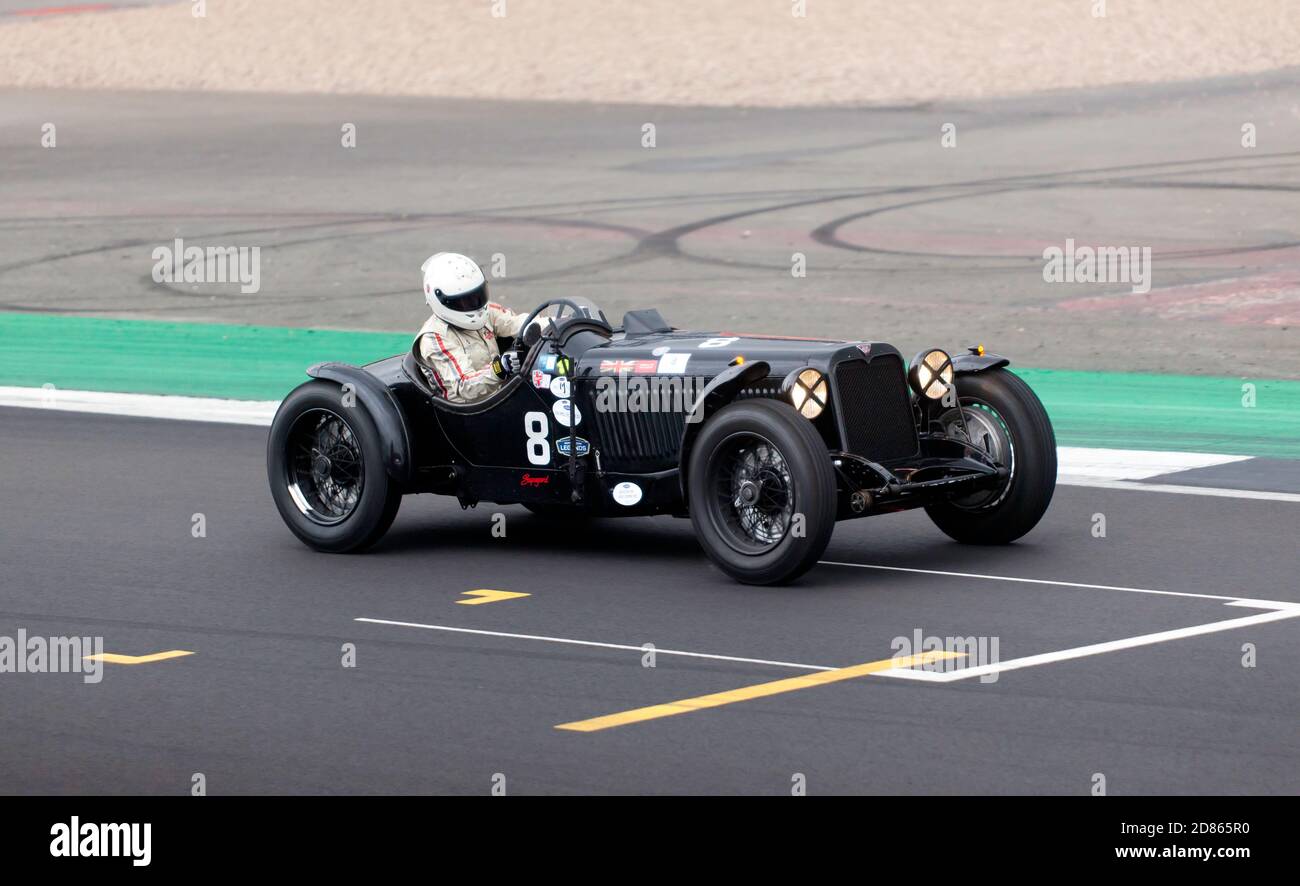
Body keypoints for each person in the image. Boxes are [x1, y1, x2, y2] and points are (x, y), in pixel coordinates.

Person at [415, 252, 527, 403]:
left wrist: (556, 324)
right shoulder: (434, 338)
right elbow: (465, 386)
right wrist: (500, 368)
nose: (474, 304)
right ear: (441, 300)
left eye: (477, 296)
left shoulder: (486, 311)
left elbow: (518, 322)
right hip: (470, 416)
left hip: (501, 398)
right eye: (464, 301)